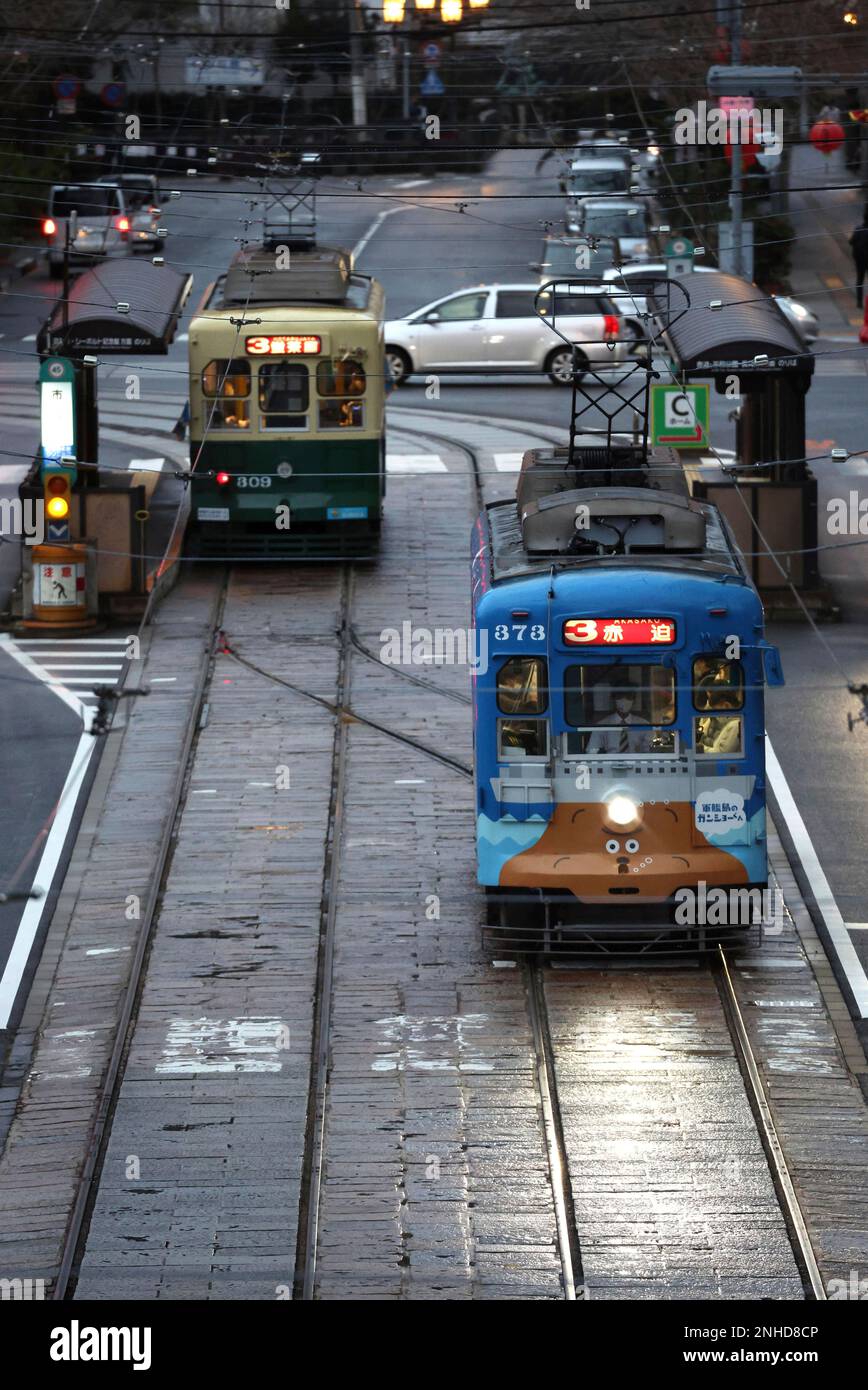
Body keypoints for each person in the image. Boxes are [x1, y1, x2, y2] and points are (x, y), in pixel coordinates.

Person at [586, 685, 649, 754]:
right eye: (620, 697)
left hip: (636, 763)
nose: (624, 701)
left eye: (628, 697)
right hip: (610, 762)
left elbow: (650, 751)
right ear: (614, 699)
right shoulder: (602, 724)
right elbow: (592, 751)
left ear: (633, 700)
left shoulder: (644, 724)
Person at [697, 688, 742, 755]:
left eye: (718, 711)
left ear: (726, 706)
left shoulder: (735, 726)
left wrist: (700, 749)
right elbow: (716, 745)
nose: (717, 716)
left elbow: (721, 753)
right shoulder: (730, 723)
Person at [849, 204, 868, 308]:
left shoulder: (858, 229)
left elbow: (851, 242)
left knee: (859, 280)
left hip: (859, 259)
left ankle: (859, 302)